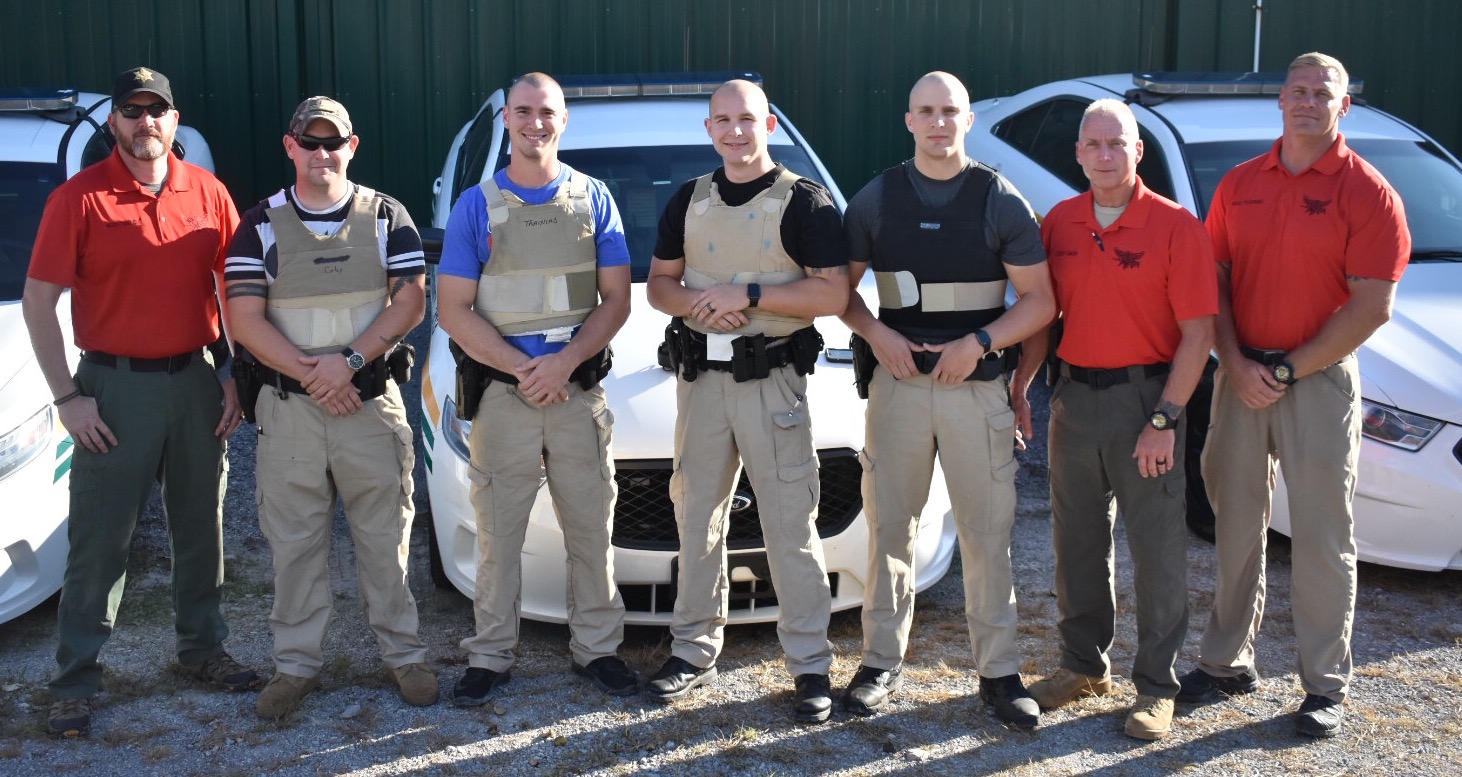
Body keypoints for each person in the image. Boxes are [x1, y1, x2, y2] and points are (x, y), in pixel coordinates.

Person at [1178, 52, 1410, 739]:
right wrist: (1237, 359)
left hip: (1316, 383)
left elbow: (1372, 306)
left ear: (1345, 106)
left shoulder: (1368, 193)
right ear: (1280, 100)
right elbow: (1210, 279)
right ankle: (1226, 661)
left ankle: (1323, 685)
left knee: (1321, 536)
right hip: (1240, 374)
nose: (1309, 101)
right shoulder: (1240, 183)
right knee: (1234, 523)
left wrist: (1284, 370)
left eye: (1324, 92)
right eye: (1299, 90)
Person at [22, 66, 256, 737]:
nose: (145, 122)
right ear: (114, 122)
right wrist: (67, 396)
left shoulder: (208, 193)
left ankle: (203, 649)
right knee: (101, 539)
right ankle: (75, 679)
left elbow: (236, 291)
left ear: (175, 122)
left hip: (195, 380)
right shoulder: (79, 199)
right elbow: (39, 302)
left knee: (201, 526)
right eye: (132, 110)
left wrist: (235, 372)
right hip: (110, 388)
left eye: (157, 110)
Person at [838, 71, 1054, 729]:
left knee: (987, 536)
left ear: (968, 120)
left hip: (975, 388)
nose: (938, 122)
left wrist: (980, 341)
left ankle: (999, 671)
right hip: (899, 388)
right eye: (926, 111)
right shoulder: (876, 199)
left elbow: (1044, 302)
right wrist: (878, 334)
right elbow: (837, 293)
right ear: (908, 120)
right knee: (890, 527)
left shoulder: (999, 199)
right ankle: (880, 661)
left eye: (950, 111)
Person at [224, 96, 436, 718]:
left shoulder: (385, 216)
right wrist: (317, 376)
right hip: (292, 410)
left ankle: (405, 657)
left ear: (352, 145)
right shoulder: (259, 223)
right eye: (308, 142)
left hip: (369, 403)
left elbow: (409, 303)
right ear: (289, 147)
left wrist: (345, 364)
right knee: (294, 545)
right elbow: (244, 318)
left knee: (386, 537)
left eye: (332, 142)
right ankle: (294, 667)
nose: (321, 154)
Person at [645, 78, 849, 723]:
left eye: (748, 120)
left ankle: (811, 665)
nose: (736, 132)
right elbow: (659, 284)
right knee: (697, 516)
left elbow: (831, 296)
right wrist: (696, 305)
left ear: (770, 126)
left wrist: (749, 296)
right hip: (701, 382)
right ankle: (693, 649)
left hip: (772, 385)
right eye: (724, 121)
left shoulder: (806, 203)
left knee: (791, 522)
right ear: (709, 129)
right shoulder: (689, 199)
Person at [1016, 99, 1216, 740]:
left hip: (1146, 402)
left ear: (1137, 152)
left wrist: (1164, 420)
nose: (1104, 155)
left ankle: (1157, 686)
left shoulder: (1176, 227)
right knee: (1075, 542)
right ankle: (1081, 664)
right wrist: (1025, 386)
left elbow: (1197, 336)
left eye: (1117, 144)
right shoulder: (1061, 223)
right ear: (1077, 154)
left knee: (1156, 549)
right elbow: (1043, 317)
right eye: (1093, 144)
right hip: (1074, 399)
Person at [437, 73, 638, 705]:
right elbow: (453, 310)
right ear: (507, 121)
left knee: (591, 528)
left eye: (546, 112)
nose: (535, 123)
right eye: (523, 112)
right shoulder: (476, 205)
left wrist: (564, 363)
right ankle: (491, 655)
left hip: (575, 393)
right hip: (505, 396)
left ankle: (598, 650)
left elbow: (617, 300)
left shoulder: (595, 197)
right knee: (499, 531)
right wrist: (525, 369)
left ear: (564, 120)